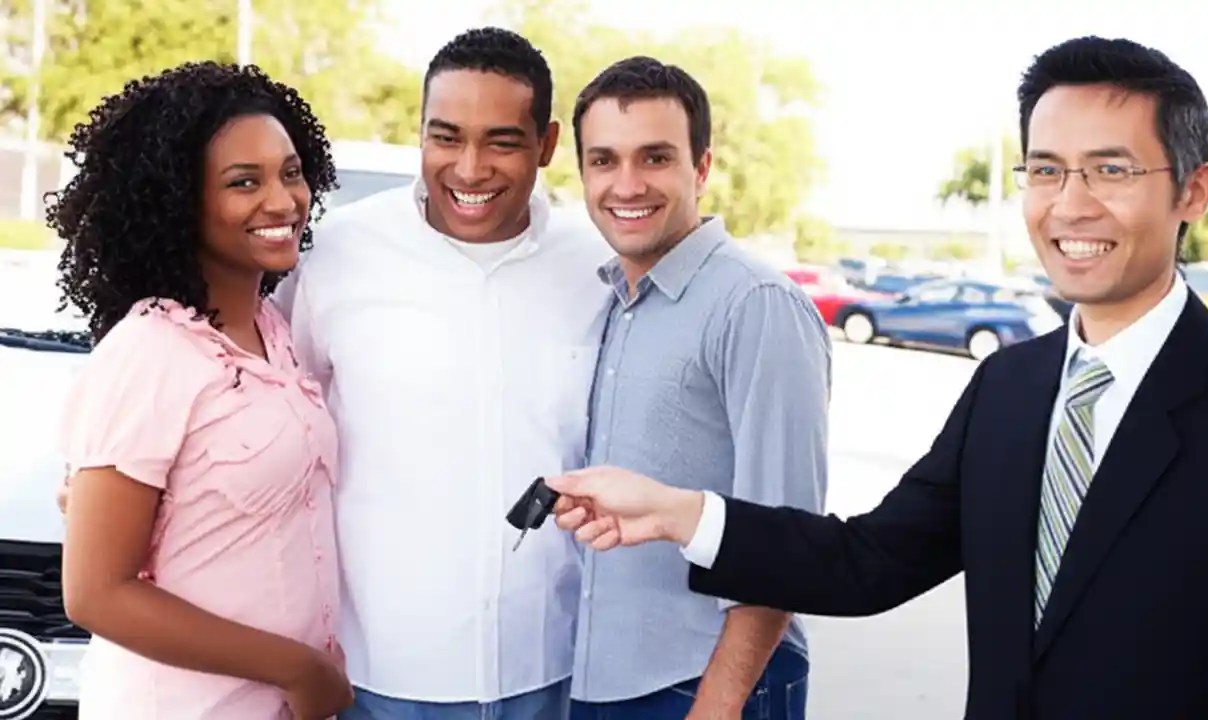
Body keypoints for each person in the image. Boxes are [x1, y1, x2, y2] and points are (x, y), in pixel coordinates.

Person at [549, 36, 1208, 719]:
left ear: (1194, 191)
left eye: (1111, 169)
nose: (1070, 203)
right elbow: (867, 563)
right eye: (1048, 169)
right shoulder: (1008, 389)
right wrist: (680, 513)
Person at [271, 28, 614, 719]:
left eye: (502, 142)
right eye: (446, 137)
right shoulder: (337, 254)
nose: (469, 167)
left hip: (551, 670)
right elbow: (267, 414)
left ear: (546, 146)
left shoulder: (598, 265)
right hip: (378, 674)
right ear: (420, 133)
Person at [51, 61, 353, 719]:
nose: (282, 201)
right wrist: (298, 669)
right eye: (244, 183)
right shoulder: (151, 351)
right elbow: (96, 593)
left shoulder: (273, 329)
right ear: (176, 202)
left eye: (291, 172)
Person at [561, 57, 831, 720]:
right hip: (599, 682)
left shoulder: (756, 305)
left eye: (655, 158)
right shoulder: (609, 300)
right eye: (604, 160)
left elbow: (787, 536)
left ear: (701, 168)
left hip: (706, 684)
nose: (626, 184)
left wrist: (719, 701)